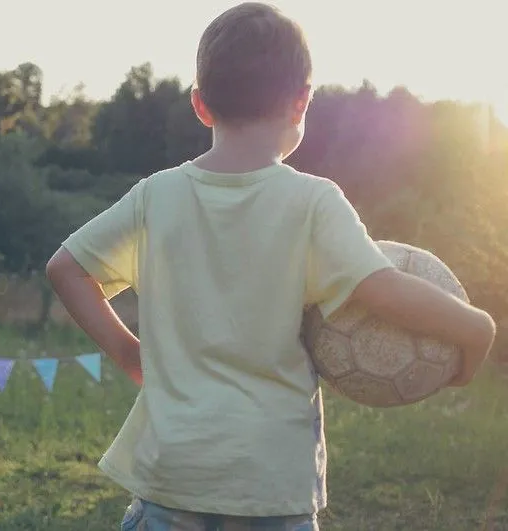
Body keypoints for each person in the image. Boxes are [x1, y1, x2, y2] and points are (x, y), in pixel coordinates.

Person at [45, 2, 496, 530]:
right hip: (270, 489)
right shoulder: (312, 202)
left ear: (200, 105)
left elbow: (67, 267)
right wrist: (475, 327)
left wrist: (128, 351)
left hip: (172, 478)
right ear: (301, 101)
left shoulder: (156, 196)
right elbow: (381, 288)